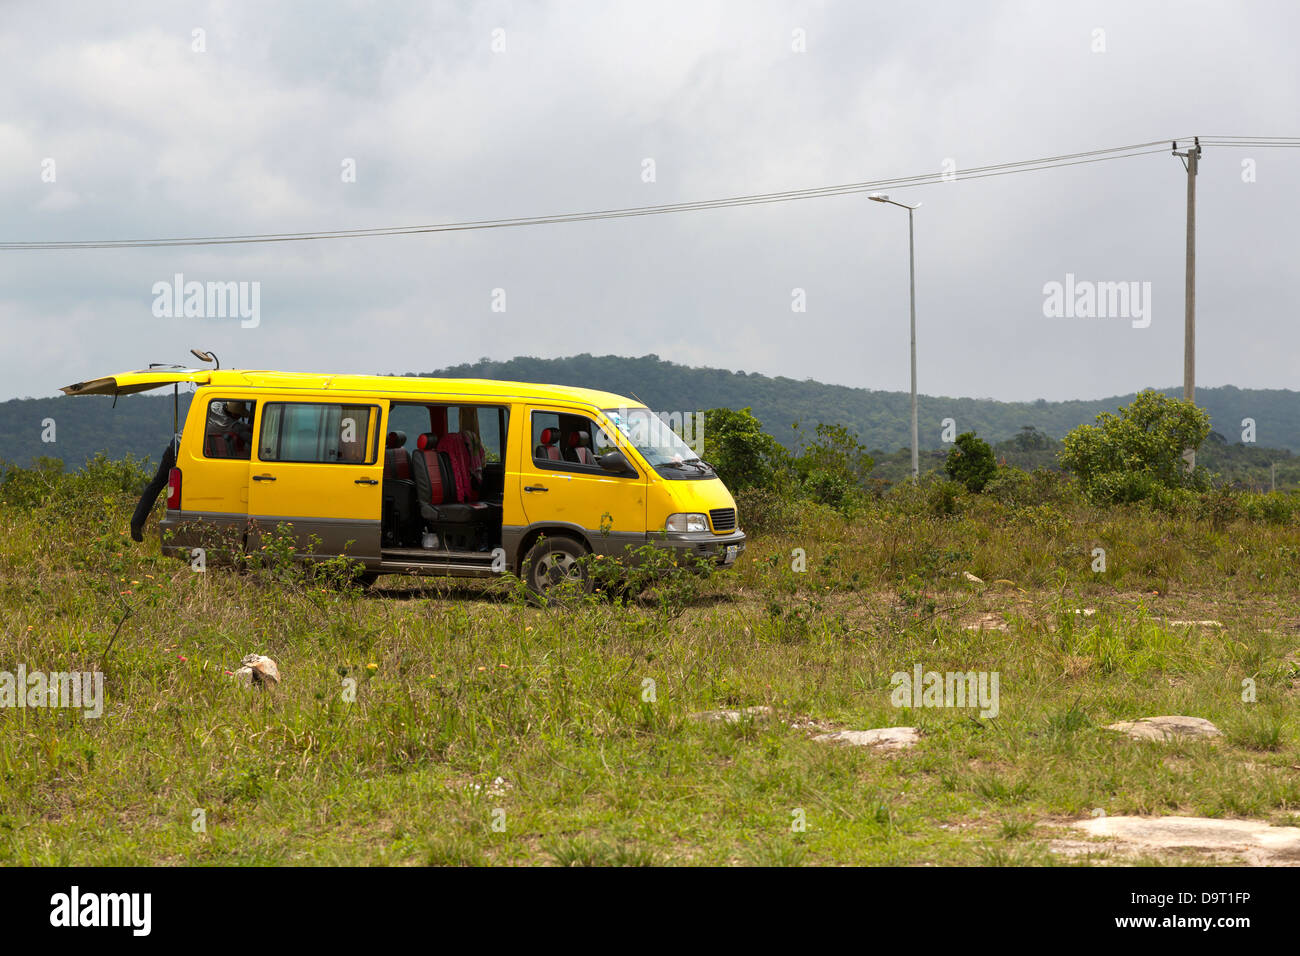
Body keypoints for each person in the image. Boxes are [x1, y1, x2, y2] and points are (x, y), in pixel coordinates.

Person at [130, 399, 254, 542]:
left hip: (176, 445)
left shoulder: (214, 405)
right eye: (239, 415)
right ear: (235, 414)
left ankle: (136, 522)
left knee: (156, 484)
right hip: (185, 452)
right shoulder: (228, 424)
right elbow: (248, 435)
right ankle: (184, 530)